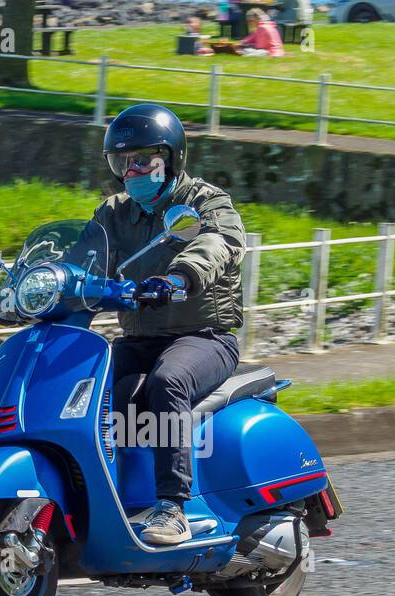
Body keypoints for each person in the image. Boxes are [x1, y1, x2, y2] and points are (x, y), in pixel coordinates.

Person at [90, 104, 246, 545]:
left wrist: (180, 277)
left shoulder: (204, 201)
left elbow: (220, 242)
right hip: (140, 337)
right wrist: (38, 287)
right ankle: (99, 495)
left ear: (171, 158)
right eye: (122, 162)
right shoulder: (113, 213)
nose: (131, 171)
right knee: (85, 386)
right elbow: (83, 257)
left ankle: (171, 507)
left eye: (143, 160)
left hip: (205, 337)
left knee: (167, 381)